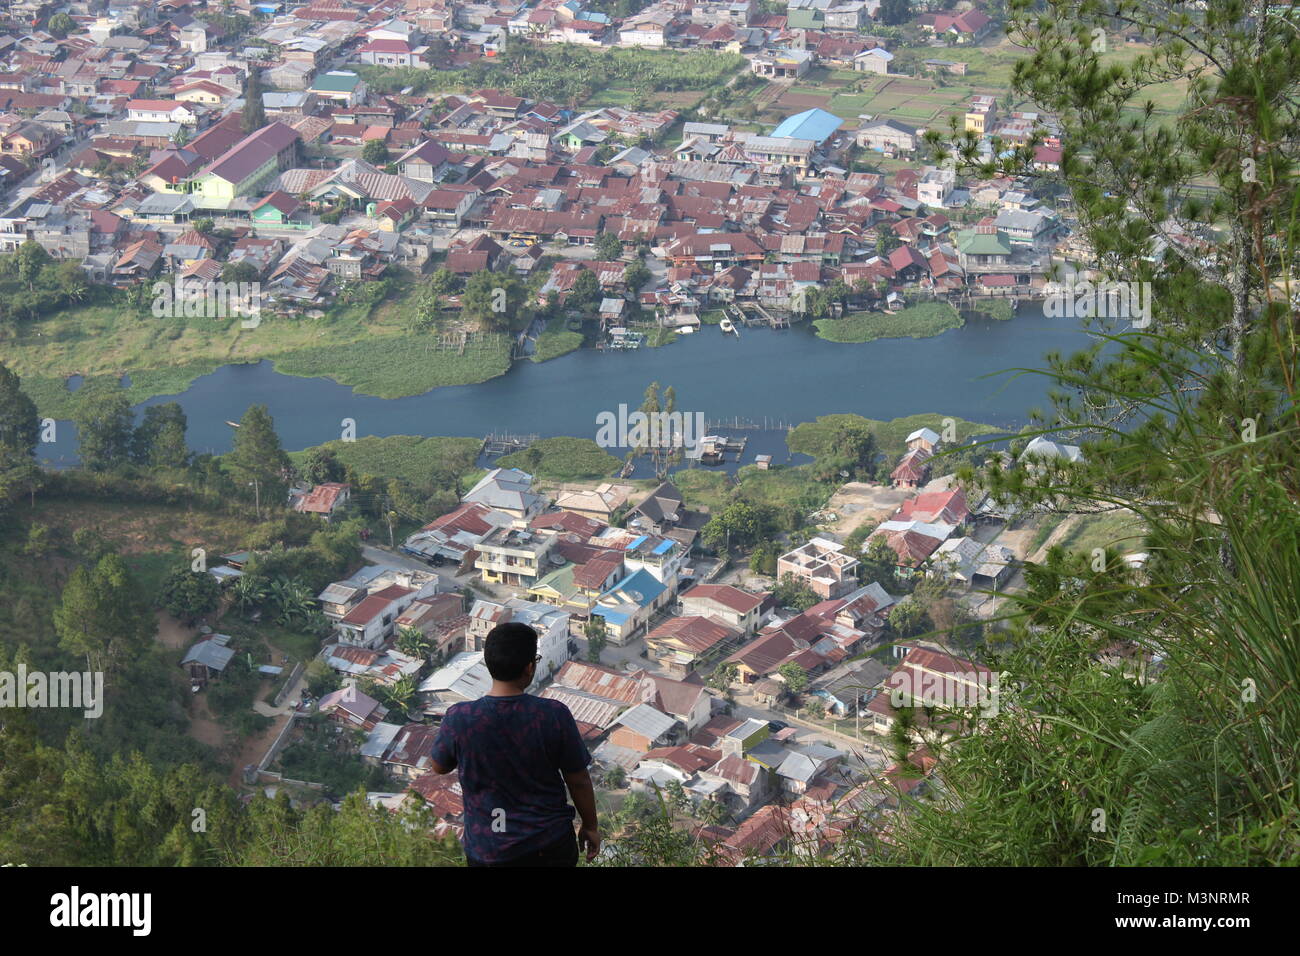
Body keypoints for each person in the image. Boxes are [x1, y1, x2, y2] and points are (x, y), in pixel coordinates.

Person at [429, 621, 601, 866]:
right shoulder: (552, 714)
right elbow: (578, 779)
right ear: (529, 667)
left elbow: (439, 766)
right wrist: (590, 826)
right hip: (548, 846)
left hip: (489, 849)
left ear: (489, 664)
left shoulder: (461, 717)